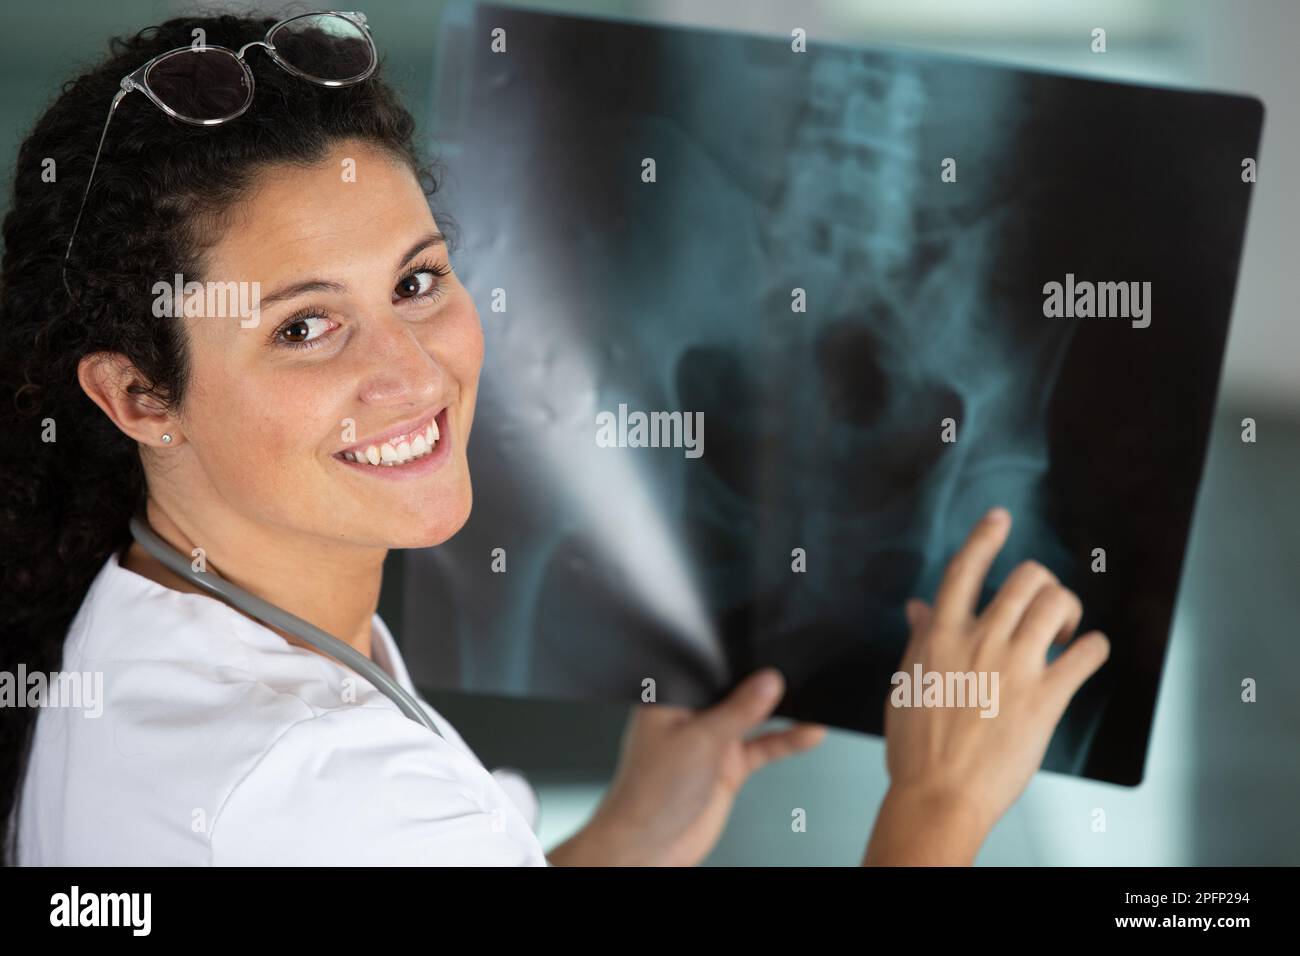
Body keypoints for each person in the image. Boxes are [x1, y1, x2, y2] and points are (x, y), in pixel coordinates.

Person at [0, 12, 1109, 866]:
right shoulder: (317, 776)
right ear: (140, 395)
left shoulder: (163, 610)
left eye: (418, 280)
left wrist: (626, 830)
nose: (412, 371)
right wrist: (940, 802)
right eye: (304, 325)